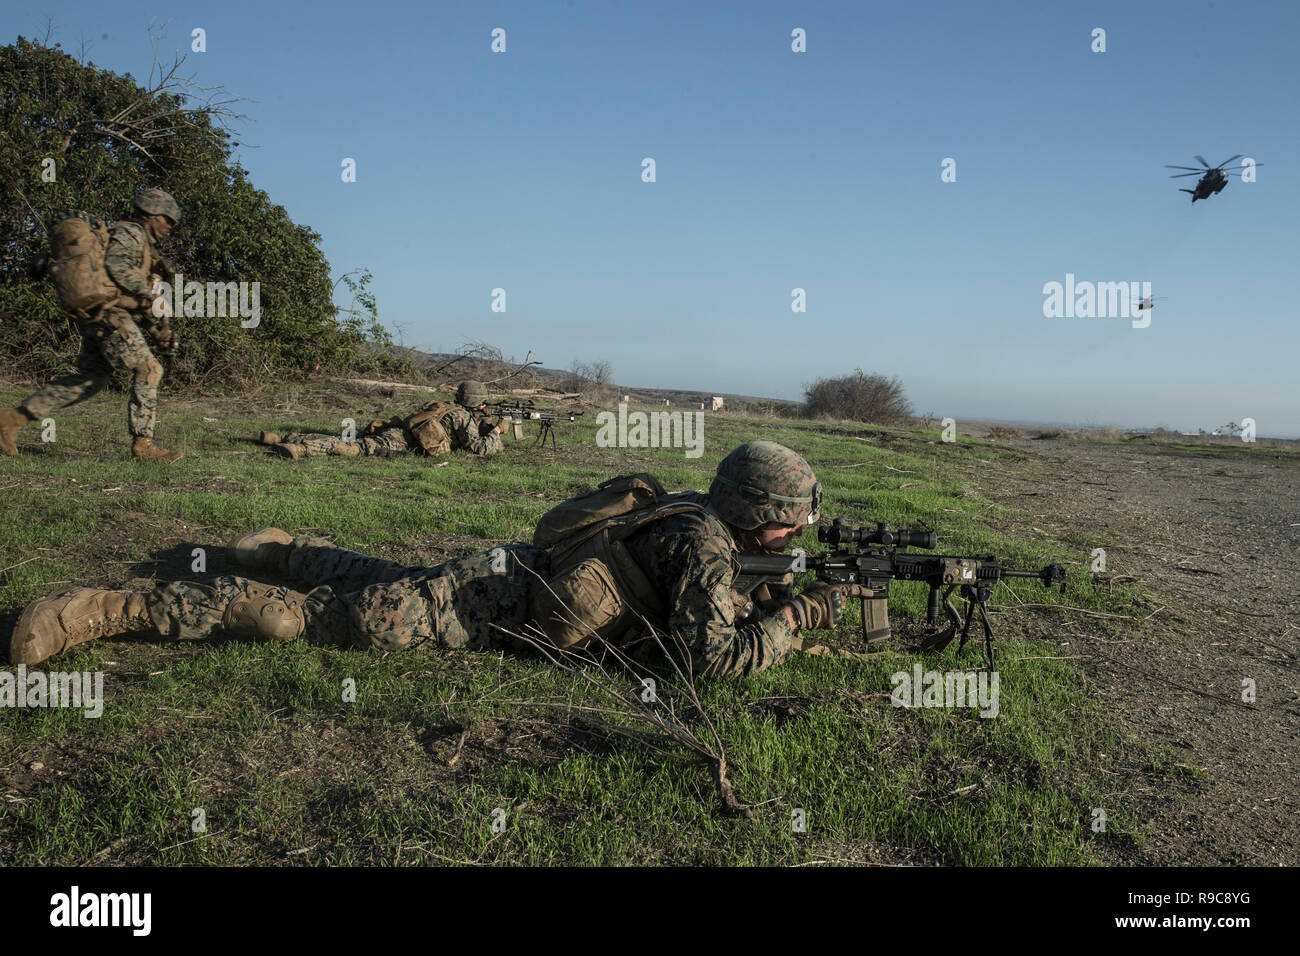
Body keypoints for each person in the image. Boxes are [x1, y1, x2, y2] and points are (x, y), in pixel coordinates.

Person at [10, 441, 844, 677]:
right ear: (761, 515)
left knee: (376, 579)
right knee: (292, 625)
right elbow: (710, 658)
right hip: (488, 609)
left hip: (499, 574)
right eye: (793, 522)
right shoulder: (700, 544)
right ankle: (106, 608)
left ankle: (278, 549)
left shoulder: (699, 519)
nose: (798, 535)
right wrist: (792, 624)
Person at [0, 189, 184, 461]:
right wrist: (149, 291)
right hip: (109, 315)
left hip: (101, 315)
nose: (171, 226)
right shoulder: (132, 233)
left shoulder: (147, 249)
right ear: (151, 215)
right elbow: (116, 266)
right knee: (148, 369)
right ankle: (143, 445)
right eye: (168, 219)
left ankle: (11, 420)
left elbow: (141, 299)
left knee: (90, 380)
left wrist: (162, 331)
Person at [257, 381, 505, 459]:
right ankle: (300, 448)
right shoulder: (463, 417)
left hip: (396, 429)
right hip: (401, 443)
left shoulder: (446, 407)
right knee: (355, 448)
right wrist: (498, 431)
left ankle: (279, 437)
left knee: (353, 438)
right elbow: (480, 449)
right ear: (477, 403)